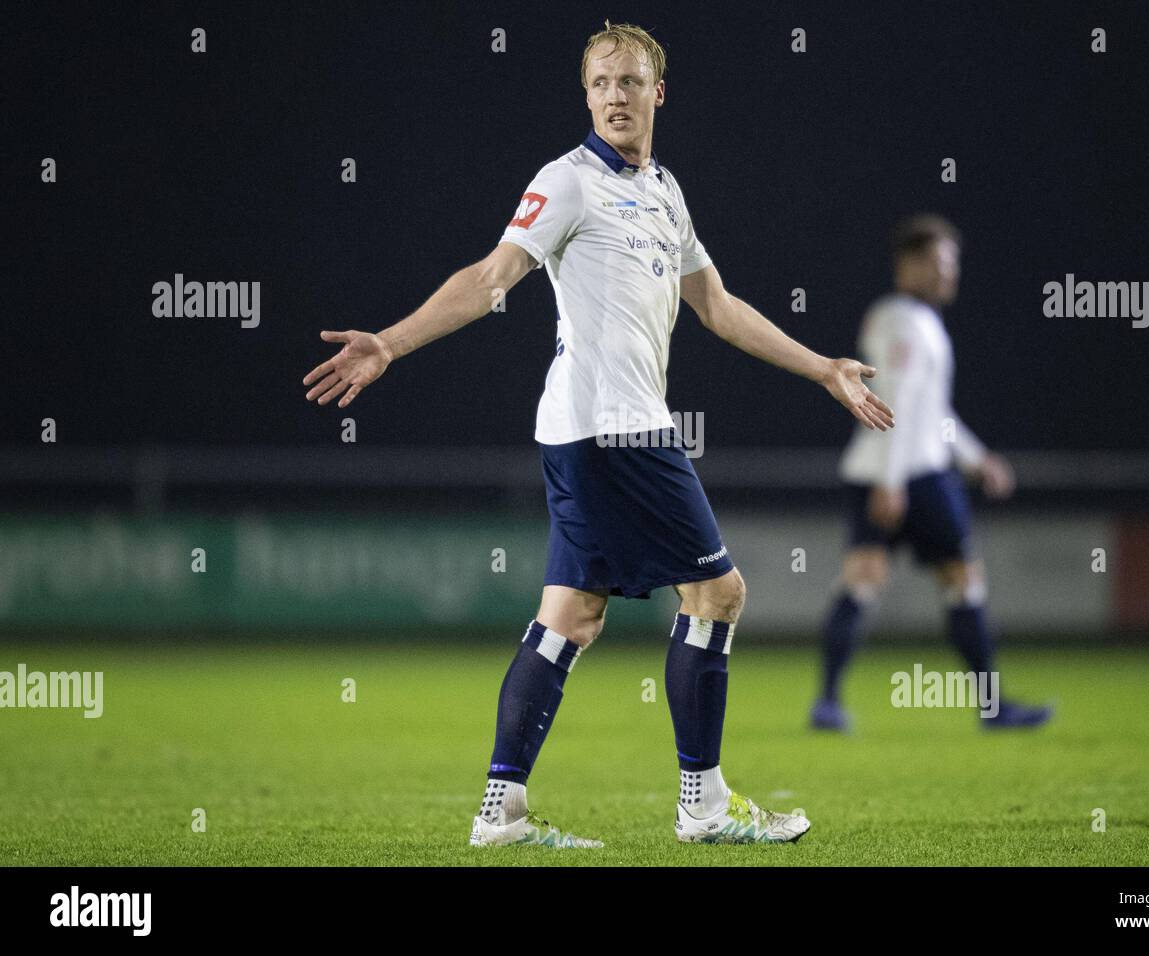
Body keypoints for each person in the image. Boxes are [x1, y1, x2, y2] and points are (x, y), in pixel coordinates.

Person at [302, 22, 895, 847]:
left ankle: (500, 812)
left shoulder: (664, 191)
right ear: (586, 97)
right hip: (616, 433)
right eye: (602, 83)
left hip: (594, 432)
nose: (617, 95)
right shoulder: (568, 182)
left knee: (573, 615)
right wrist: (391, 343)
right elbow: (491, 276)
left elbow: (718, 307)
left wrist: (823, 366)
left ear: (660, 92)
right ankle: (705, 806)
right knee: (718, 595)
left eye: (631, 81)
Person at [810, 215, 1053, 732]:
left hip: (883, 469)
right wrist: (894, 481)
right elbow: (894, 402)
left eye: (952, 264)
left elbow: (931, 411)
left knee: (864, 580)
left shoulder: (910, 319)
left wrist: (976, 458)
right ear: (910, 265)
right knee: (961, 581)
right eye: (941, 263)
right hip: (909, 475)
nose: (950, 274)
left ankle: (828, 703)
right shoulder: (904, 321)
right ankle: (992, 708)